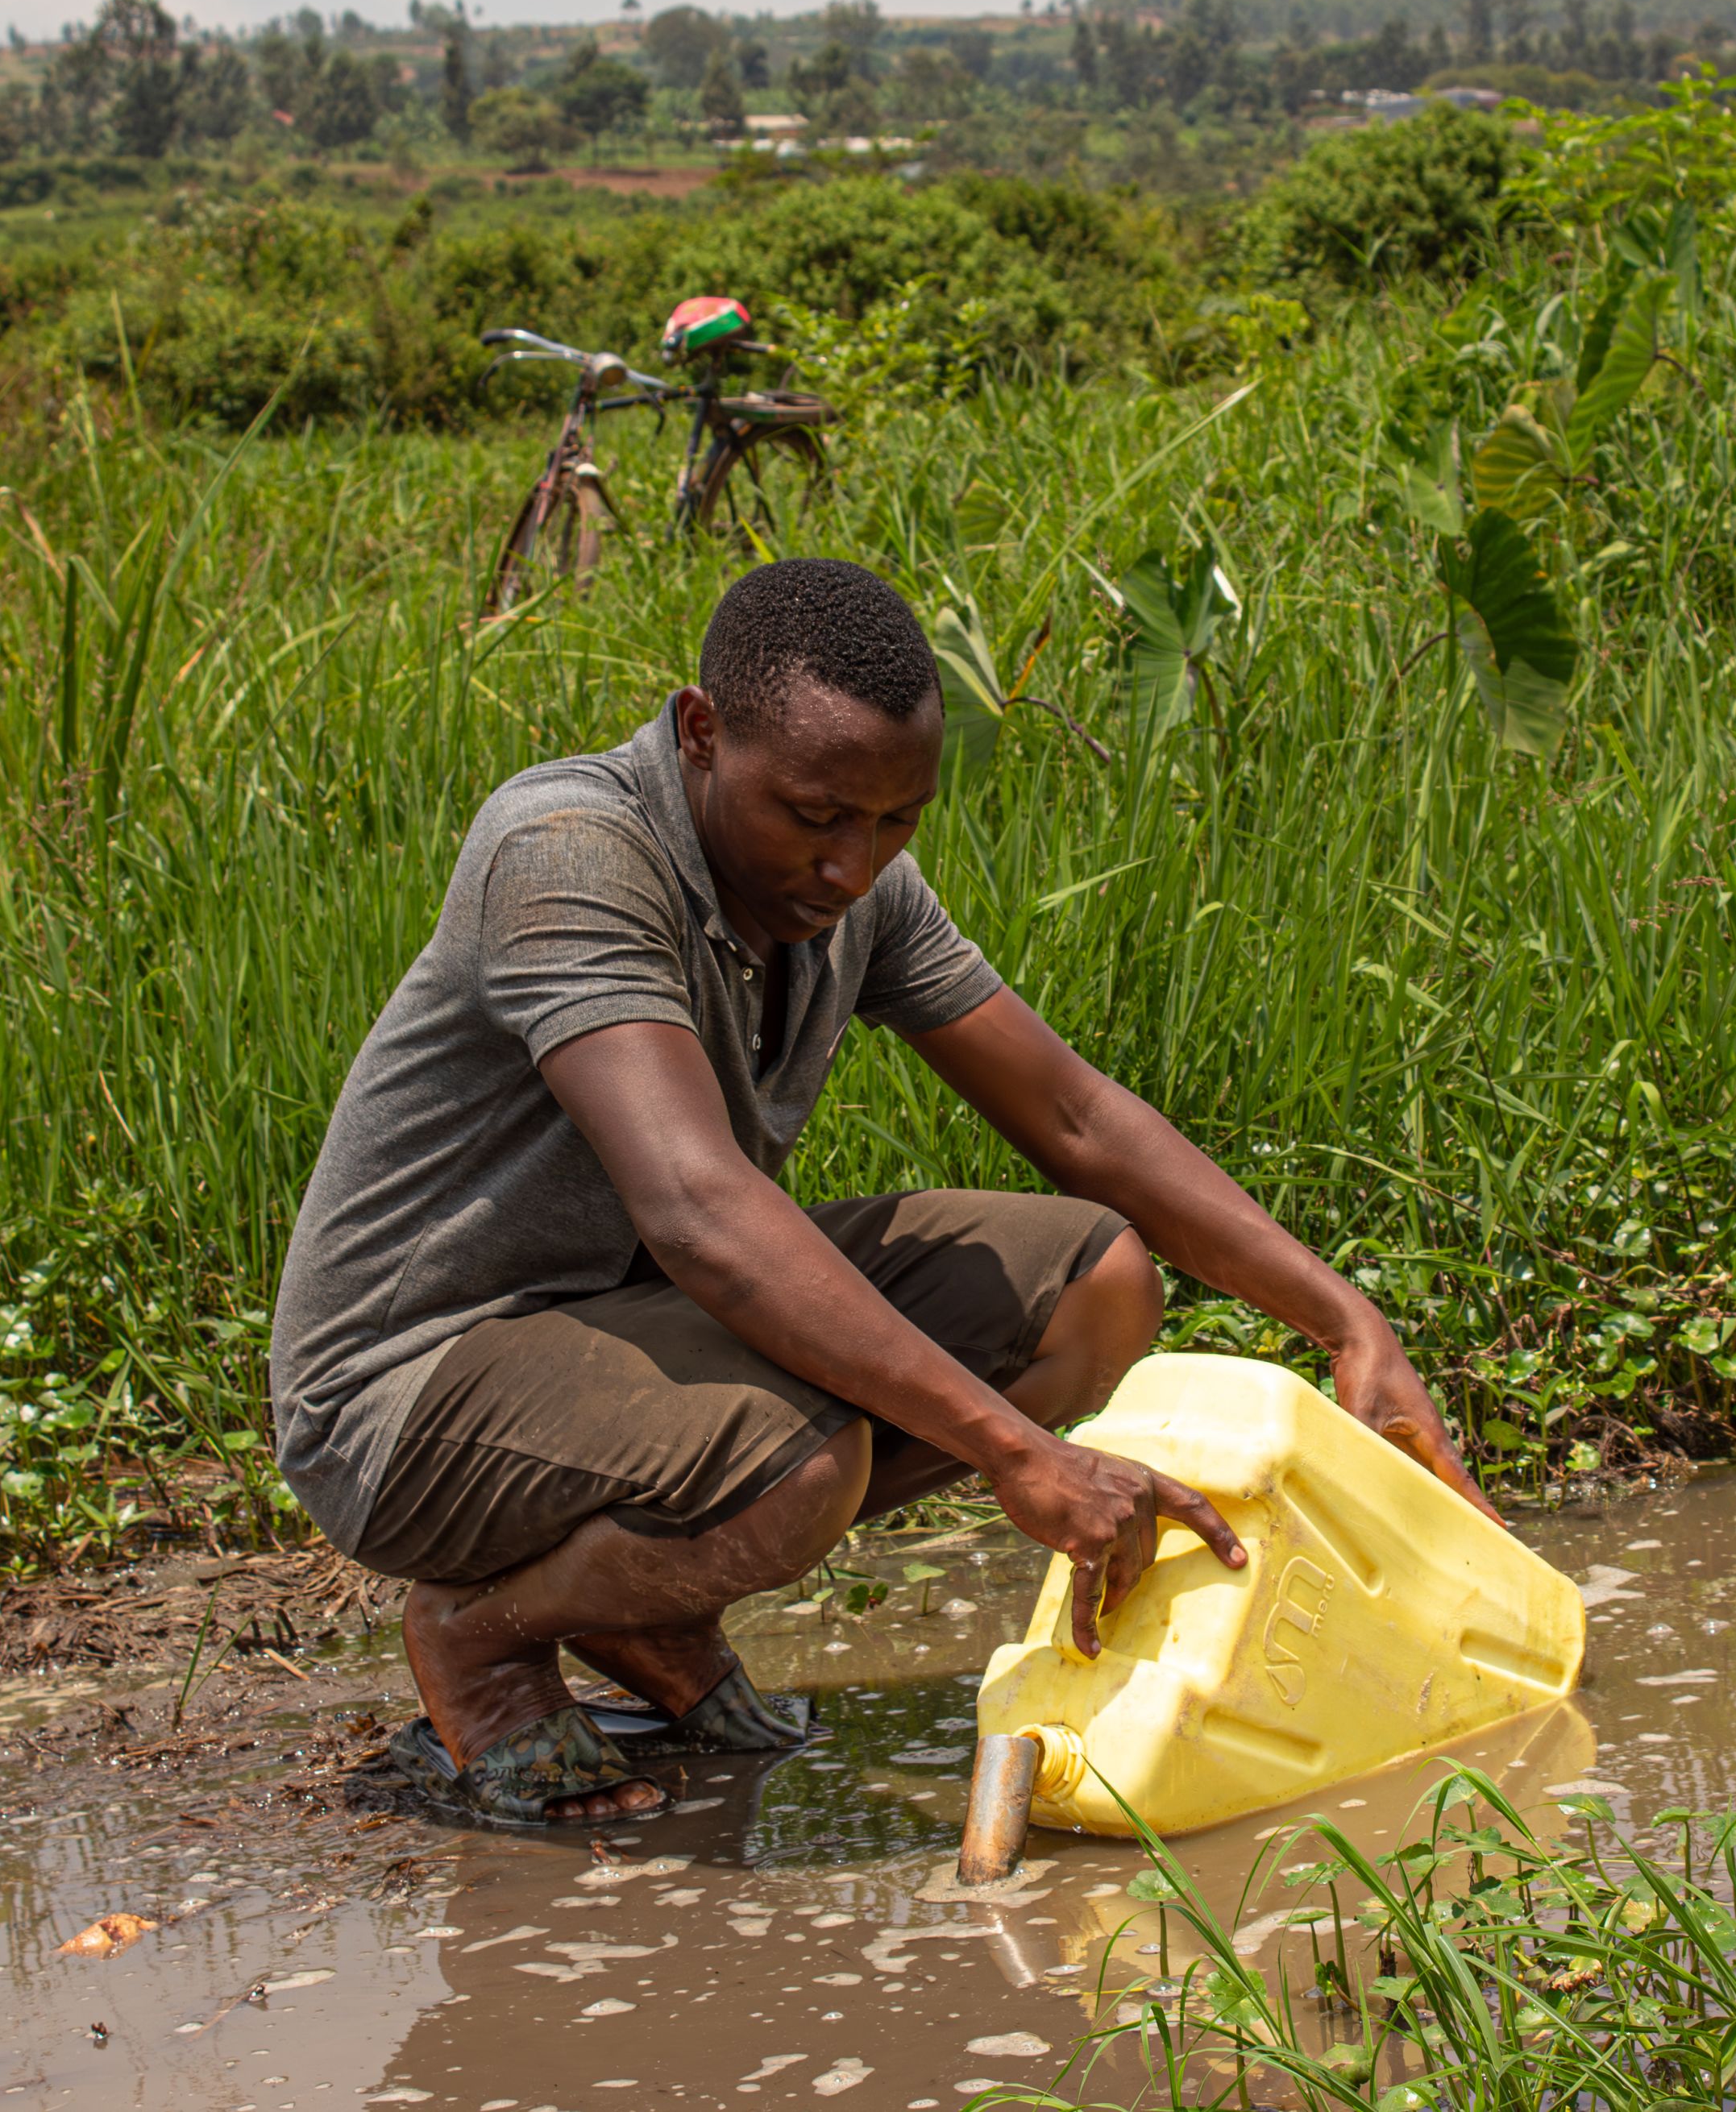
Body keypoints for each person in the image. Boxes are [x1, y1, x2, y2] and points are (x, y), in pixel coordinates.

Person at [269, 558, 1492, 1825]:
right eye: (815, 815)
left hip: (623, 1341)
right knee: (796, 1460)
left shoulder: (849, 890)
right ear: (700, 733)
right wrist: (1019, 1454)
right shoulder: (569, 853)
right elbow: (699, 1211)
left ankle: (647, 1600)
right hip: (407, 1390)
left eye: (896, 821)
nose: (853, 866)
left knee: (1094, 1289)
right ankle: (485, 1634)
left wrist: (1346, 1319)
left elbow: (1073, 1115)